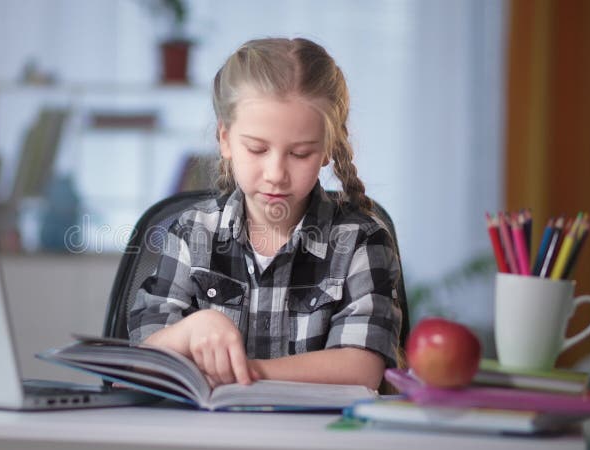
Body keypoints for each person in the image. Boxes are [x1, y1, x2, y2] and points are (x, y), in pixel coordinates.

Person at [128, 37, 402, 390]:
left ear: (327, 150)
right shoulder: (191, 231)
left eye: (300, 154)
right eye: (257, 149)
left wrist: (244, 373)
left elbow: (361, 369)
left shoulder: (361, 239)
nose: (275, 173)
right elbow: (142, 357)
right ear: (225, 139)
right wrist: (189, 331)